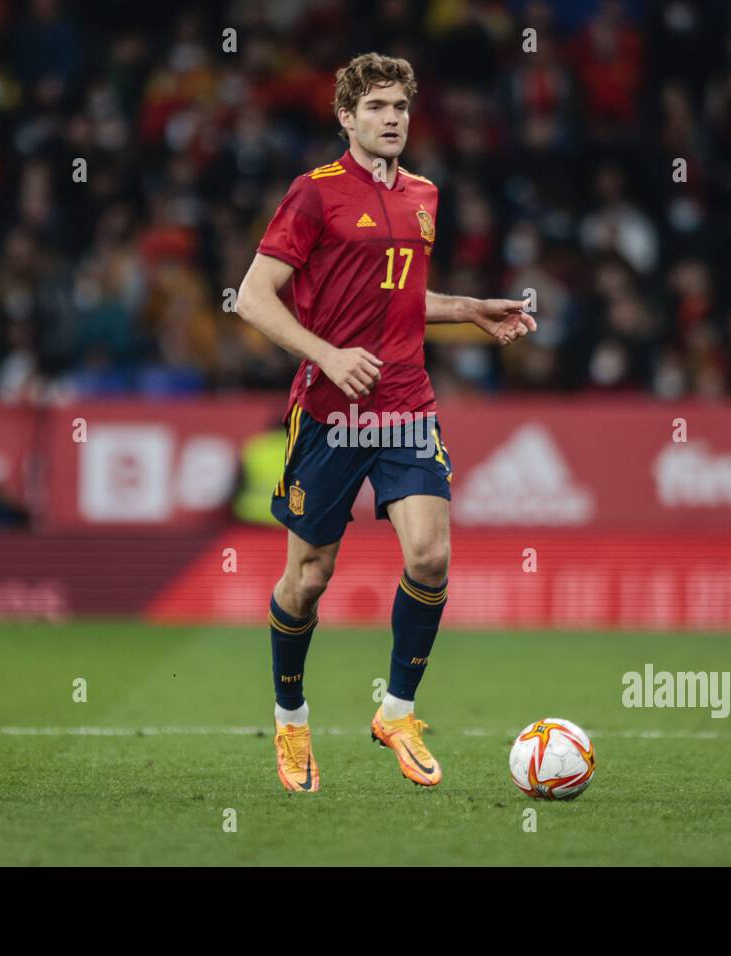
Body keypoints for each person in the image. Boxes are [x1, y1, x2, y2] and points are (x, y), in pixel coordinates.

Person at [235, 52, 536, 792]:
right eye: (374, 107)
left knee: (430, 556)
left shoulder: (427, 195)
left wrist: (465, 309)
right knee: (307, 580)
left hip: (405, 404)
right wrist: (328, 355)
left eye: (399, 105)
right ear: (346, 118)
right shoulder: (315, 195)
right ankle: (292, 722)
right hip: (331, 414)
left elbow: (402, 299)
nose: (391, 117)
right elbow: (251, 297)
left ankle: (395, 712)